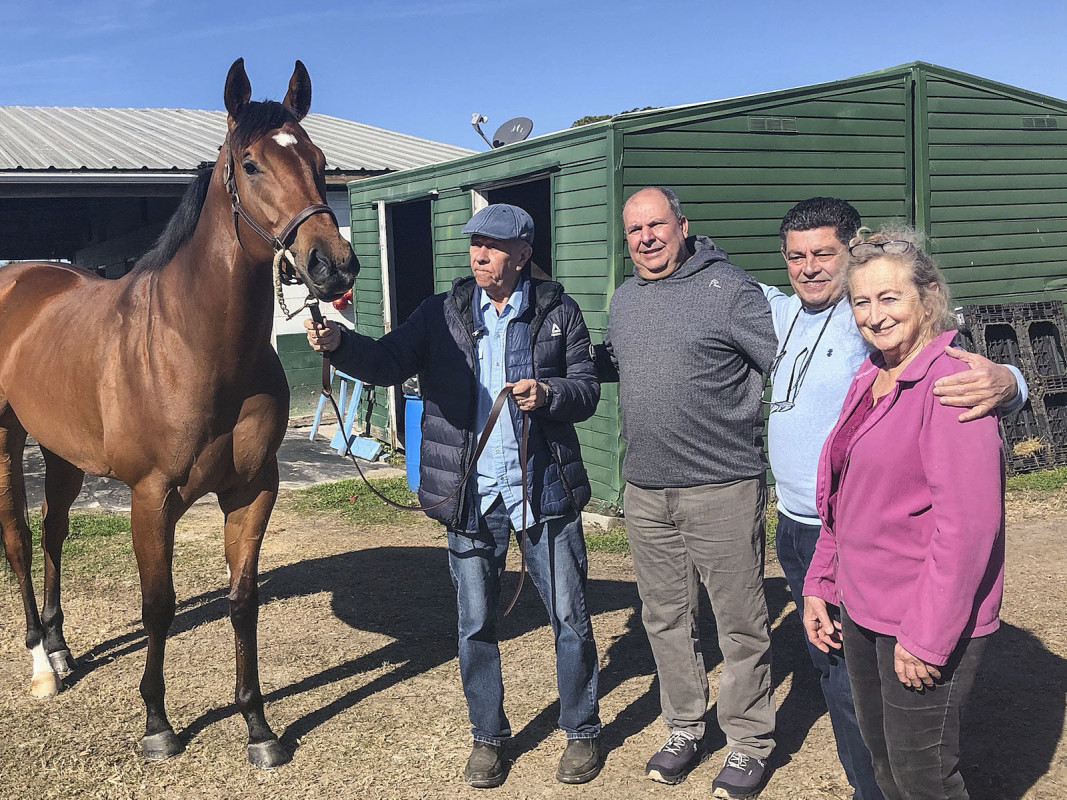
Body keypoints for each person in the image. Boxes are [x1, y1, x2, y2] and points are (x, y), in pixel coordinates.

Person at [304, 204, 603, 788]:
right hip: (472, 495)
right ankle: (488, 739)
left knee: (570, 618)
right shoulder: (442, 314)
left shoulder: (557, 313)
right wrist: (341, 342)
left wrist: (548, 393)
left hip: (543, 491)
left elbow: (587, 390)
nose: (479, 254)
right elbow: (388, 361)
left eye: (493, 245)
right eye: (475, 244)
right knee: (474, 625)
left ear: (521, 253)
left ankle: (582, 731)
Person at [765, 198, 1026, 800]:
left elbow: (968, 530)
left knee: (924, 777)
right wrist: (819, 583)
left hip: (918, 615)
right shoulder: (872, 377)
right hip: (863, 606)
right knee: (884, 766)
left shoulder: (952, 385)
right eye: (862, 301)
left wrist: (927, 638)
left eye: (890, 298)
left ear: (927, 298)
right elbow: (842, 494)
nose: (874, 315)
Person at [598, 186, 778, 799]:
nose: (646, 238)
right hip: (647, 492)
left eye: (656, 225)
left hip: (723, 487)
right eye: (634, 231)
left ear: (682, 224)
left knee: (740, 623)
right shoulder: (625, 300)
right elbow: (617, 364)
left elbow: (785, 363)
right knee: (666, 618)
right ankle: (683, 727)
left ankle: (749, 741)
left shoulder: (730, 291)